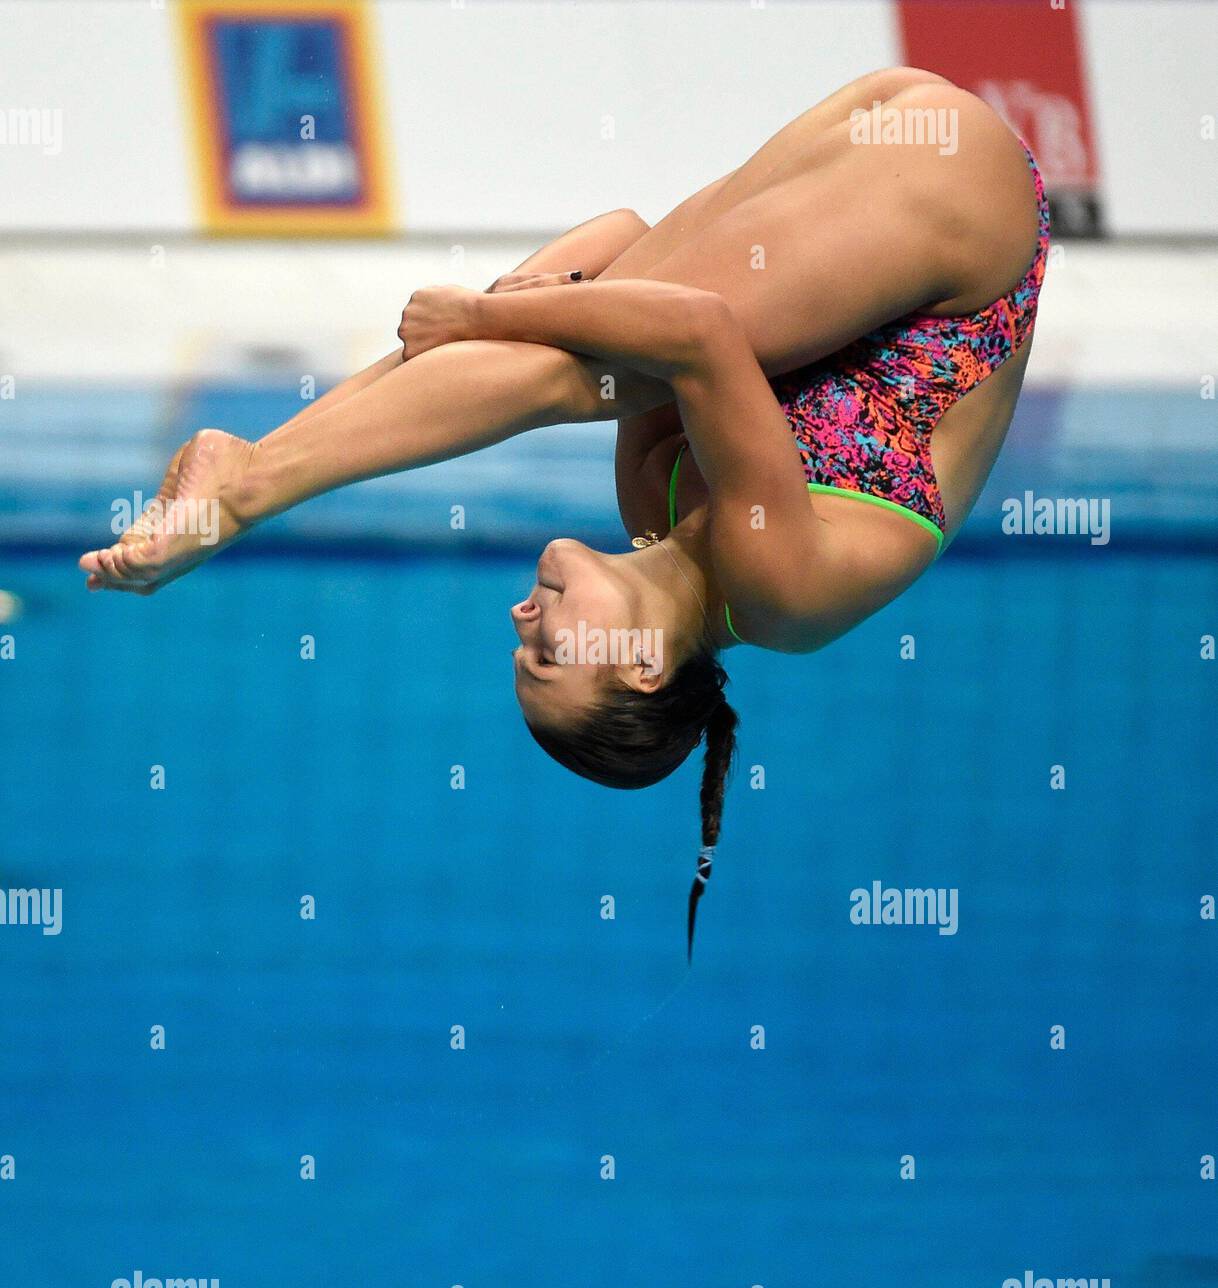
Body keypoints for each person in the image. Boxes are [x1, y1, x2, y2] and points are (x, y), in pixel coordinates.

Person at [80, 68, 1048, 952]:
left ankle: (249, 468)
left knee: (583, 356)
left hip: (882, 140)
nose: (520, 620)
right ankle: (243, 491)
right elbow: (694, 331)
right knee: (581, 368)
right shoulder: (779, 593)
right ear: (638, 663)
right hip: (966, 208)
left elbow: (615, 246)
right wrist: (491, 316)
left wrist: (505, 303)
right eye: (548, 655)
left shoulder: (653, 504)